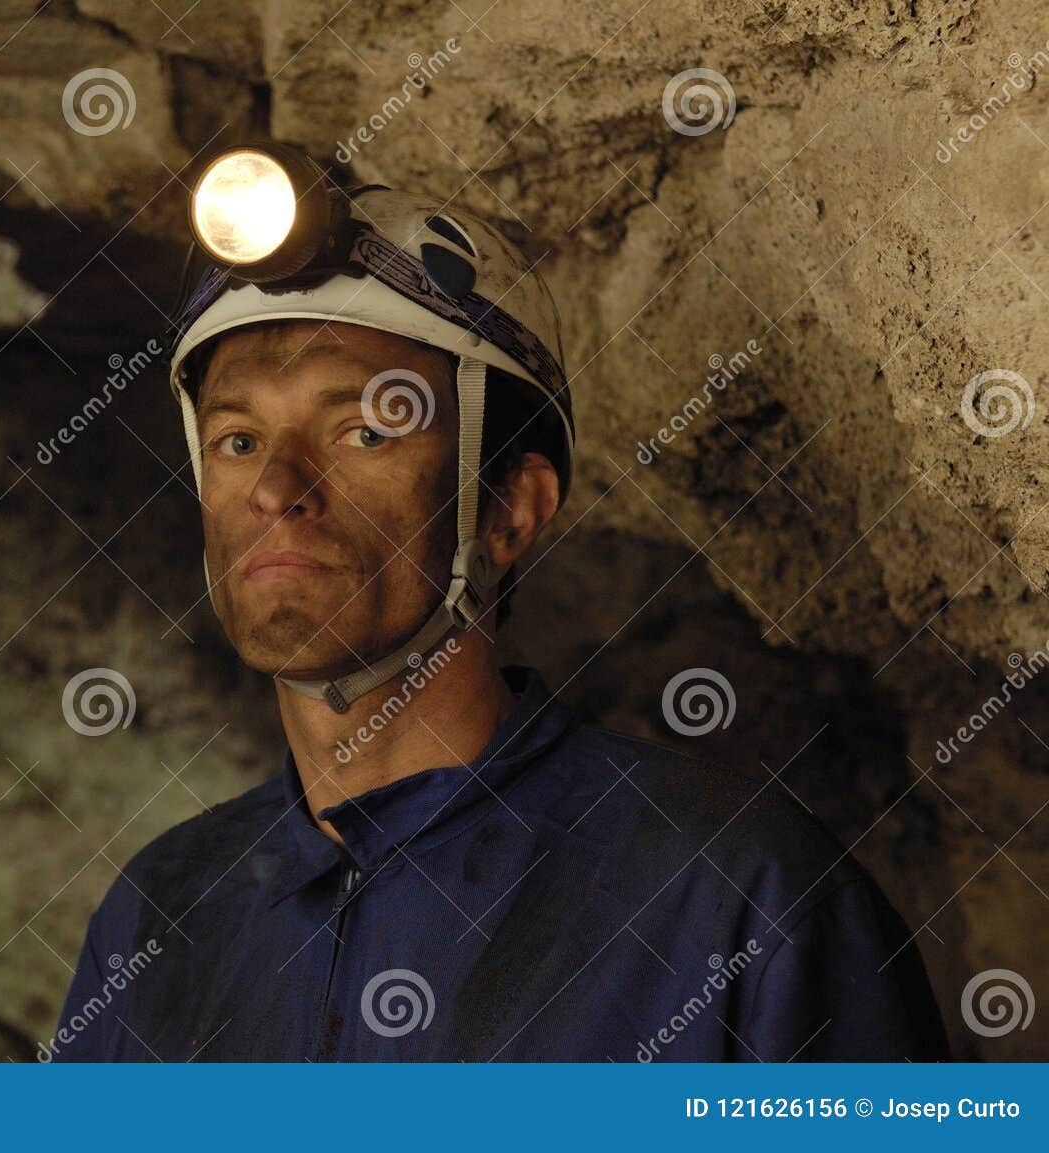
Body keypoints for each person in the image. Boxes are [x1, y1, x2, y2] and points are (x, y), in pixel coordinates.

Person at [49, 166, 949, 1061]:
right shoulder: (159, 917)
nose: (278, 490)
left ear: (511, 509)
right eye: (238, 441)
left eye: (365, 431)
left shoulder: (736, 895)